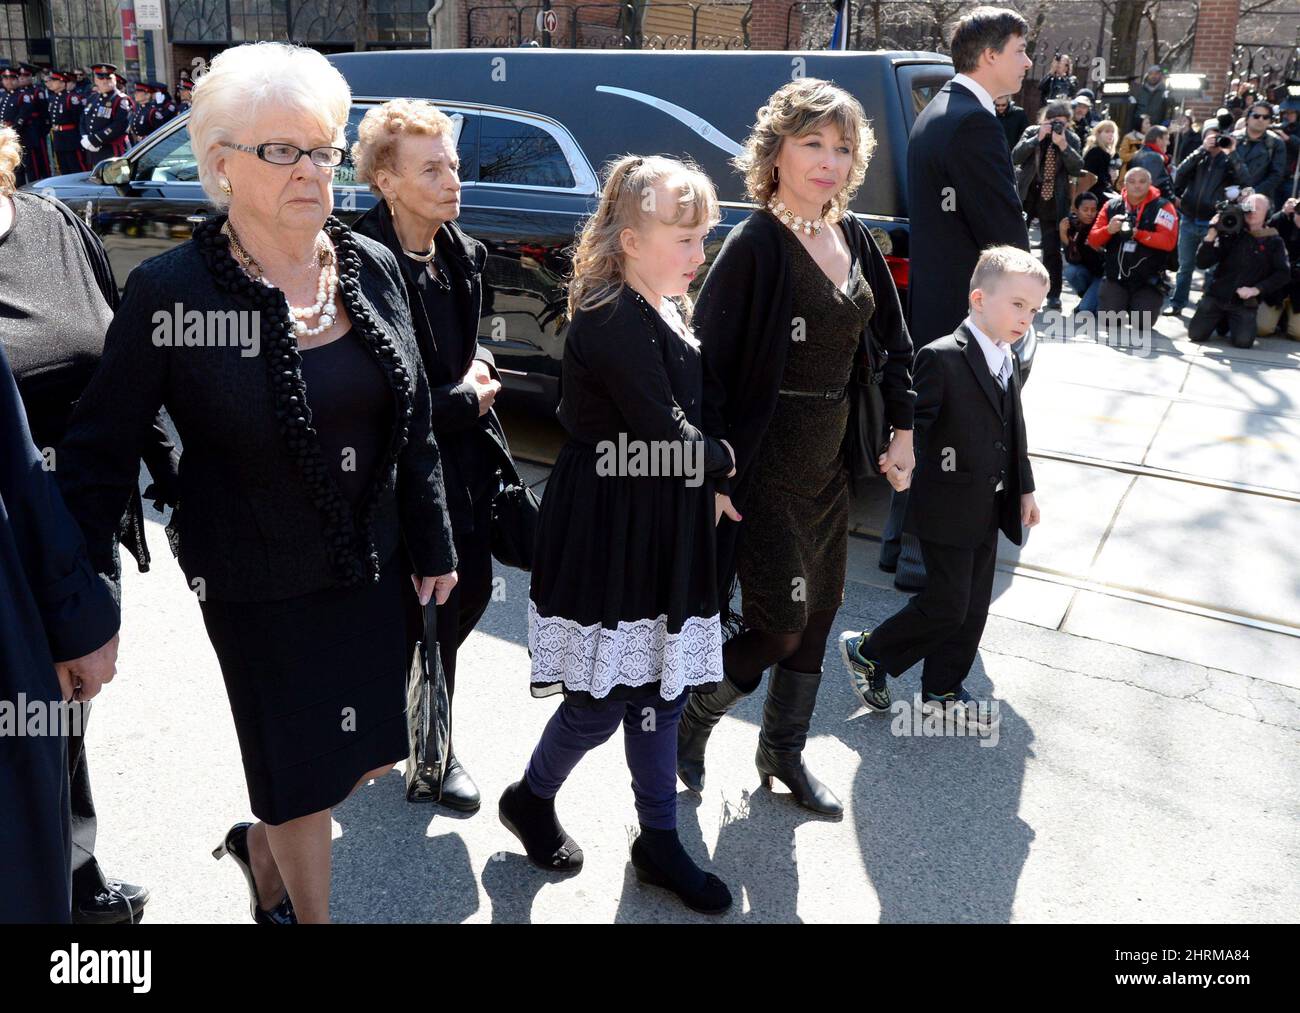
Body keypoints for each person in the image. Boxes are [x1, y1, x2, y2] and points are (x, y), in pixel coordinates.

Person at [55, 41, 459, 925]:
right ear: (223, 166)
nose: (310, 169)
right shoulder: (171, 292)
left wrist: (431, 538)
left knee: (358, 757)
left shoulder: (369, 265)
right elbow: (96, 453)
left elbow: (415, 416)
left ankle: (259, 852)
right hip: (252, 577)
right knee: (299, 769)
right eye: (281, 151)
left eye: (321, 147)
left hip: (370, 564)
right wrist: (78, 608)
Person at [498, 154, 735, 914]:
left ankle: (657, 838)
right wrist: (726, 462)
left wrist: (712, 476)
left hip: (660, 517)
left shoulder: (662, 302)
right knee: (605, 700)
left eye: (704, 239)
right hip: (611, 525)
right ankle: (531, 797)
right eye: (685, 238)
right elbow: (665, 433)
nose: (699, 257)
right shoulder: (608, 314)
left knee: (658, 693)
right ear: (630, 239)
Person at [678, 77, 915, 816]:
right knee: (778, 625)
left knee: (819, 616)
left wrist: (903, 430)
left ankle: (783, 753)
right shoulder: (756, 245)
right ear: (774, 153)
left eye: (843, 147)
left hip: (830, 467)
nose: (829, 161)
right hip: (765, 469)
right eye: (812, 143)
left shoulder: (854, 236)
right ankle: (695, 714)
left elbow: (895, 344)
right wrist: (712, 470)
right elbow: (703, 368)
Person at [352, 98, 515, 812]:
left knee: (471, 589)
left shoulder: (462, 252)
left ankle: (410, 696)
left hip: (468, 463)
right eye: (431, 169)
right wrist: (463, 397)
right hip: (398, 474)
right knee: (431, 604)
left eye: (452, 163)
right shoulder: (357, 263)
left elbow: (468, 342)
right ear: (385, 181)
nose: (453, 180)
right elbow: (381, 398)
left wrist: (477, 366)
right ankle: (432, 749)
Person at [0, 125, 123, 925]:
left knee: (67, 716)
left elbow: (120, 352)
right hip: (14, 536)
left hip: (79, 521)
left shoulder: (55, 222)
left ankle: (76, 867)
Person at [839, 246, 1042, 727]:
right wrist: (900, 456)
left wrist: (1026, 489)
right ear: (978, 298)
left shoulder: (1006, 357)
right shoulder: (942, 356)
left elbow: (1014, 429)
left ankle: (944, 689)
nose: (1026, 318)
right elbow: (916, 423)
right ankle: (870, 651)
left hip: (989, 506)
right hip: (945, 507)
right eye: (1017, 305)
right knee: (947, 606)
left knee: (972, 608)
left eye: (1033, 310)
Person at [883, 5, 1031, 593]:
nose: (1026, 62)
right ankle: (923, 563)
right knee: (956, 439)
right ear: (989, 55)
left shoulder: (938, 109)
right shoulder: (972, 121)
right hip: (968, 313)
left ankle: (900, 548)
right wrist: (1023, 297)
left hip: (939, 304)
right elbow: (1004, 233)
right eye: (1020, 50)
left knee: (929, 428)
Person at [1188, 192, 1289, 350]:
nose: (1252, 211)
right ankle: (1221, 320)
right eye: (1249, 206)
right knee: (1195, 335)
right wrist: (1211, 235)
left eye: (1258, 208)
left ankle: (1227, 321)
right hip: (1217, 296)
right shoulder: (1231, 232)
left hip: (1243, 303)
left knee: (1243, 342)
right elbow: (1202, 263)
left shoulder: (1273, 240)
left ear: (1267, 214)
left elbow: (1283, 274)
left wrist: (1256, 289)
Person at [1013, 99, 1084, 312]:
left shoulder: (1070, 138)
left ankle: (1053, 296)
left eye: (1062, 122)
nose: (1056, 126)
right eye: (1053, 121)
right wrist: (1037, 138)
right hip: (1028, 194)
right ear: (1045, 120)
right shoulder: (1032, 132)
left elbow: (1077, 168)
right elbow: (1015, 156)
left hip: (1054, 198)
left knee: (1052, 250)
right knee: (1017, 244)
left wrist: (1063, 145)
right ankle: (1016, 289)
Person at [1088, 166, 1179, 329]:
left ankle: (1135, 305)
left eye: (1142, 181)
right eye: (1132, 181)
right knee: (1108, 321)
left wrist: (1139, 234)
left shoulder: (1164, 207)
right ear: (1124, 184)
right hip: (1116, 276)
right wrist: (1108, 230)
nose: (1137, 185)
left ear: (1150, 184)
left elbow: (1168, 242)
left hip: (1148, 278)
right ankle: (1120, 302)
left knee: (1141, 325)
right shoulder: (1112, 206)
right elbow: (1093, 240)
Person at [1167, 124, 1240, 315]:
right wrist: (1200, 151)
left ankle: (1206, 306)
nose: (1215, 142)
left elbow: (1245, 179)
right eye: (1210, 137)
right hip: (1189, 218)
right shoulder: (1198, 157)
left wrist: (1232, 152)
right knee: (1185, 267)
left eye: (1218, 138)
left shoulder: (1227, 160)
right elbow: (1179, 175)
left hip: (1213, 223)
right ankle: (1177, 303)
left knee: (1211, 269)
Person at [1257, 195, 1300, 339]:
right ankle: (1279, 316)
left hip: (1298, 289)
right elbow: (1263, 235)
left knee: (1298, 334)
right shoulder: (1280, 220)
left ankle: (1287, 318)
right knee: (1262, 329)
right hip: (1277, 287)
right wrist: (1281, 214)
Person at [1229, 101, 1287, 200]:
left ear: (1270, 121)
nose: (1260, 119)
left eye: (1265, 117)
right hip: (1228, 194)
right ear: (1247, 118)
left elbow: (1276, 175)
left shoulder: (1276, 143)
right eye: (1256, 116)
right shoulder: (1232, 139)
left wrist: (1253, 193)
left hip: (1258, 199)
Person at [1061, 191, 1105, 314]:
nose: (1090, 213)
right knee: (1071, 271)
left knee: (1086, 310)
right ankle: (1089, 297)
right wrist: (1063, 234)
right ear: (1076, 210)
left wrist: (1100, 250)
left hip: (1103, 276)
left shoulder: (1101, 225)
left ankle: (1092, 300)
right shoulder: (1073, 226)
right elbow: (1073, 260)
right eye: (1085, 209)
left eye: (1093, 210)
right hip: (1087, 273)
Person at [80, 63, 130, 161]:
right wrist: (85, 136)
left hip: (113, 151)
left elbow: (119, 125)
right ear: (95, 80)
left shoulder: (120, 99)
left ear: (114, 79)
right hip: (93, 150)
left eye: (108, 78)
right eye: (101, 78)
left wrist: (95, 139)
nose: (105, 81)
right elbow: (83, 119)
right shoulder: (92, 98)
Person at [45, 70, 91, 175]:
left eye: (54, 80)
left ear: (62, 82)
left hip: (71, 138)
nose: (51, 83)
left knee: (76, 166)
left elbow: (78, 118)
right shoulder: (53, 99)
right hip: (58, 137)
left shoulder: (71, 98)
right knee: (63, 167)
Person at [1081, 118, 1120, 199]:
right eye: (1107, 132)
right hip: (1093, 195)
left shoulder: (1105, 152)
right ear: (1098, 134)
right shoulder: (1097, 151)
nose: (1111, 135)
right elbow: (1097, 180)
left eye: (1113, 132)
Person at [1129, 124, 1173, 195]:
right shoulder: (1154, 157)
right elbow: (1155, 186)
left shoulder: (1138, 154)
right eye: (1167, 139)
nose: (1169, 143)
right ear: (1158, 140)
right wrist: (1173, 199)